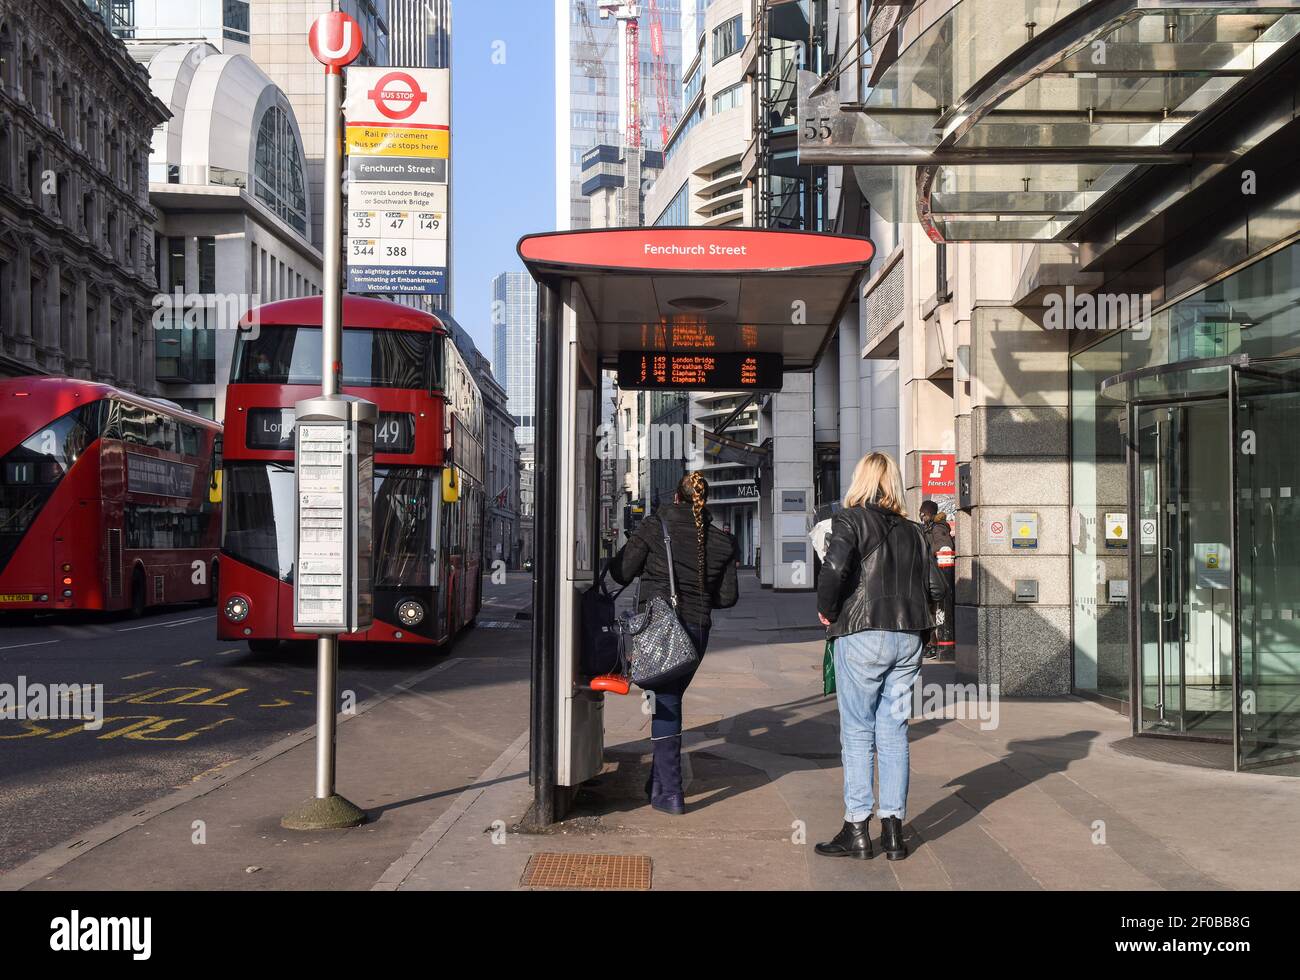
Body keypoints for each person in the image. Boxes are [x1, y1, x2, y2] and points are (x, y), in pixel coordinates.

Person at [814, 452, 947, 861]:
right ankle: (894, 832)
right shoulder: (914, 530)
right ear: (893, 483)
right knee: (894, 732)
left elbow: (835, 570)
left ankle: (856, 829)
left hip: (862, 631)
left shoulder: (849, 520)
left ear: (861, 481)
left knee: (857, 732)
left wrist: (828, 610)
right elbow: (938, 588)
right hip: (907, 636)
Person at [609, 472, 739, 815]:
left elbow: (621, 571)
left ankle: (671, 793)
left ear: (676, 498)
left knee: (665, 705)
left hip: (660, 627)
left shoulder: (655, 527)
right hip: (697, 633)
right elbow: (727, 598)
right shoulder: (723, 542)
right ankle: (658, 784)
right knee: (670, 698)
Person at [918, 500, 957, 661]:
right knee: (930, 611)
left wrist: (927, 551)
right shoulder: (928, 527)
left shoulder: (938, 527)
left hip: (937, 575)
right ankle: (932, 643)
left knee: (934, 611)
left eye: (924, 513)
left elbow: (945, 546)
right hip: (931, 573)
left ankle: (936, 644)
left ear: (930, 513)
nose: (921, 516)